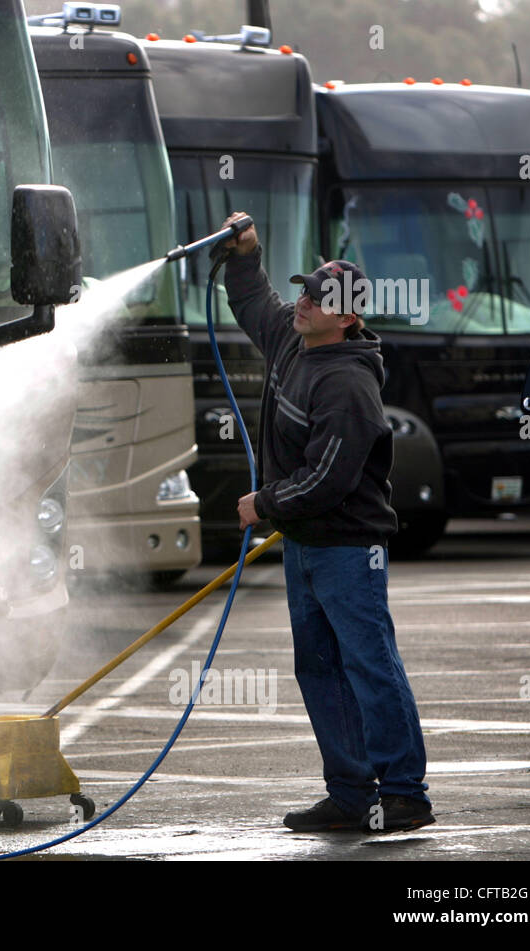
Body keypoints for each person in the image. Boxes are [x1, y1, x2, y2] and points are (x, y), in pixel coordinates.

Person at [217, 212, 434, 833]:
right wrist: (245, 254)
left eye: (317, 297)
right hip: (306, 545)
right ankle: (348, 792)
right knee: (317, 666)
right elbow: (256, 300)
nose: (303, 302)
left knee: (368, 662)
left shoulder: (347, 383)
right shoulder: (293, 338)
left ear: (347, 317)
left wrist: (264, 504)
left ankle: (404, 794)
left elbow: (328, 479)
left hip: (347, 547)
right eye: (305, 290)